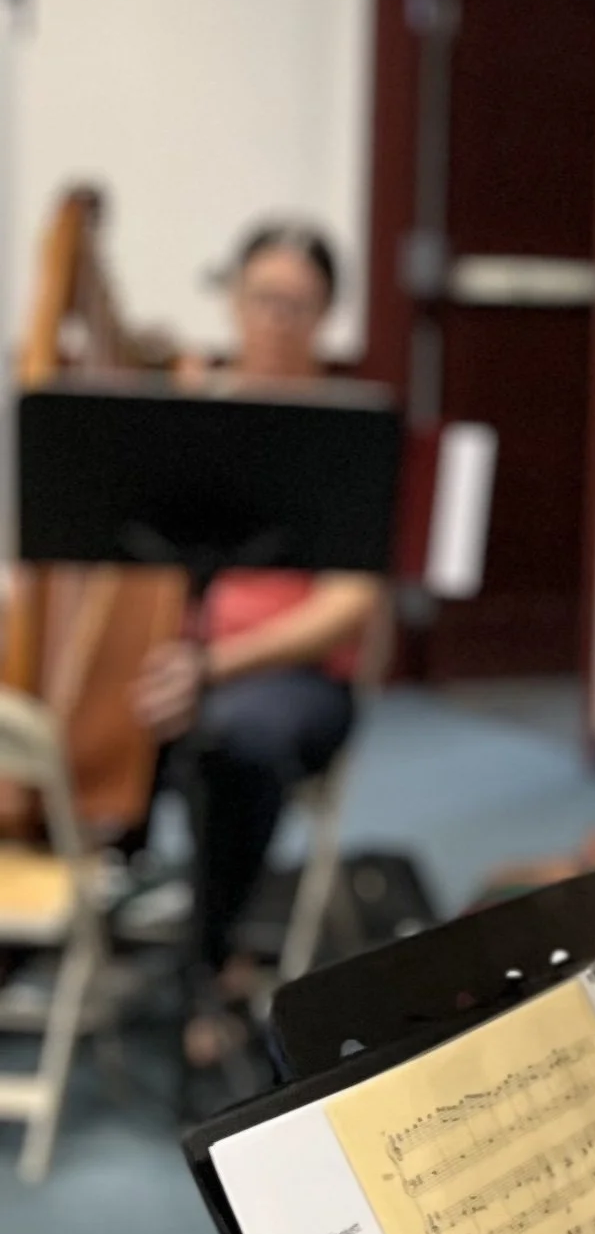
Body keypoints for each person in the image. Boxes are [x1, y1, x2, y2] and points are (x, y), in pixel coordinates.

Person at [133, 223, 382, 1072]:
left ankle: (206, 962)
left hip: (292, 678)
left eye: (295, 305)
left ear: (325, 316)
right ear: (231, 299)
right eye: (258, 298)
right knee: (83, 716)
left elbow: (350, 604)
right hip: (177, 661)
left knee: (236, 739)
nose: (273, 320)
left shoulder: (345, 433)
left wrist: (212, 667)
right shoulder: (187, 408)